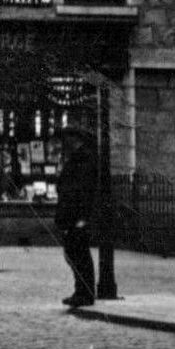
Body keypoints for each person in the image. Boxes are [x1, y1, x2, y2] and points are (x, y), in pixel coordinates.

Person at [56, 125, 100, 308]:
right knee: (73, 252)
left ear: (75, 139)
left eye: (67, 139)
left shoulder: (85, 158)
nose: (64, 143)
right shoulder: (76, 158)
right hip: (72, 214)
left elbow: (84, 190)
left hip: (79, 215)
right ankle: (80, 291)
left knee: (79, 253)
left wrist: (83, 217)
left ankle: (85, 293)